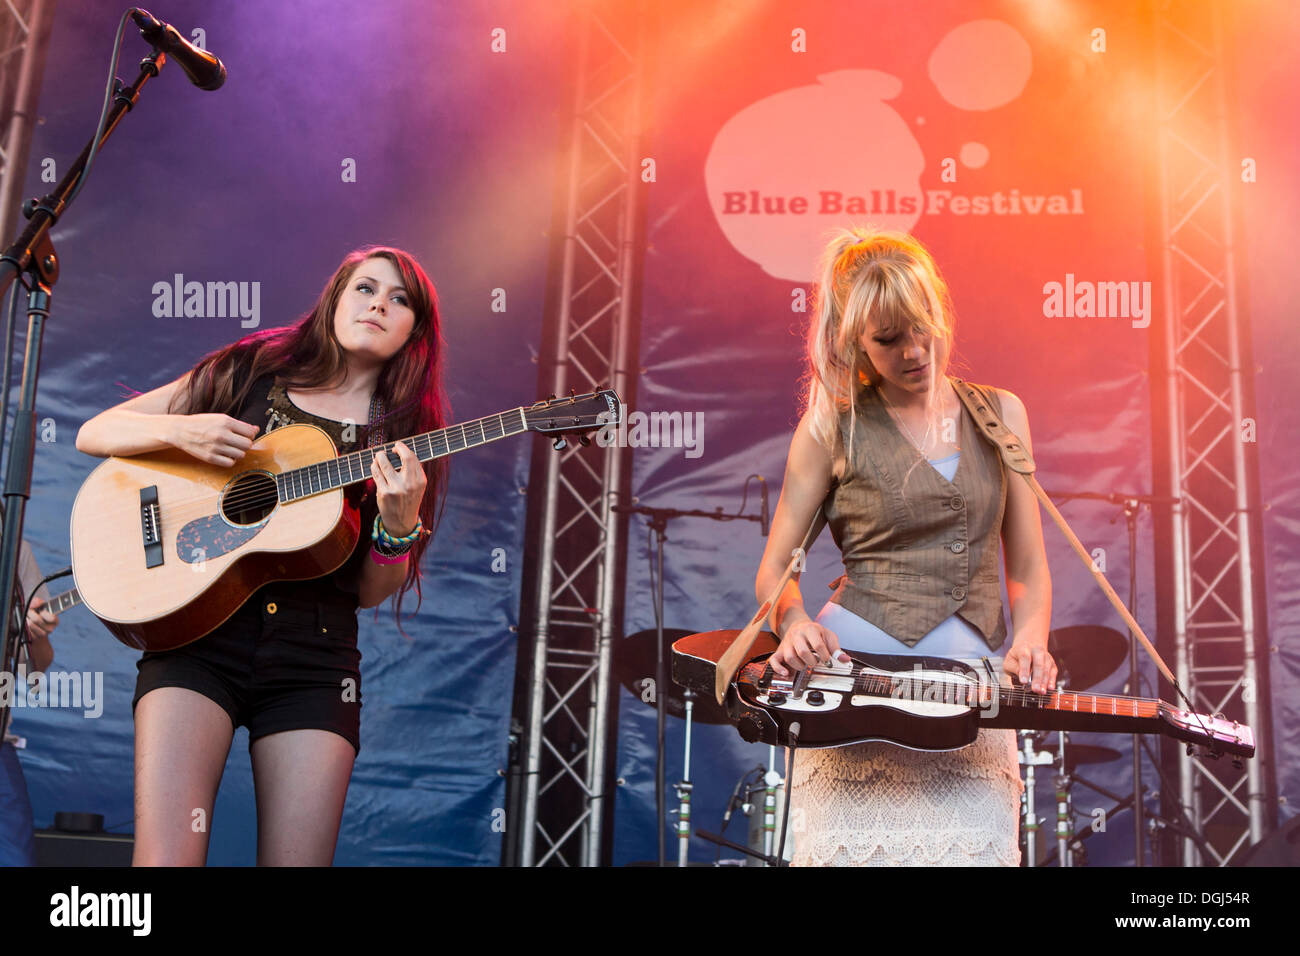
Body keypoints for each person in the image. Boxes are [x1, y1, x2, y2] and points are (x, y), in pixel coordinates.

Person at [75, 246, 449, 866]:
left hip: (314, 661)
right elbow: (95, 432)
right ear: (335, 299)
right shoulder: (252, 369)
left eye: (400, 298)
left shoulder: (405, 442)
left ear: (417, 331)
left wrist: (398, 527)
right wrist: (180, 431)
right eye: (365, 288)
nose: (379, 303)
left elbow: (371, 590)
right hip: (198, 642)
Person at [754, 227, 1055, 866]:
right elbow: (777, 569)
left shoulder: (1002, 415)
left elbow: (1026, 564)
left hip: (970, 713)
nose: (916, 351)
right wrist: (795, 619)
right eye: (888, 339)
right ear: (852, 341)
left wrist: (1031, 638)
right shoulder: (828, 426)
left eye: (923, 327)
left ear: (940, 309)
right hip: (845, 708)